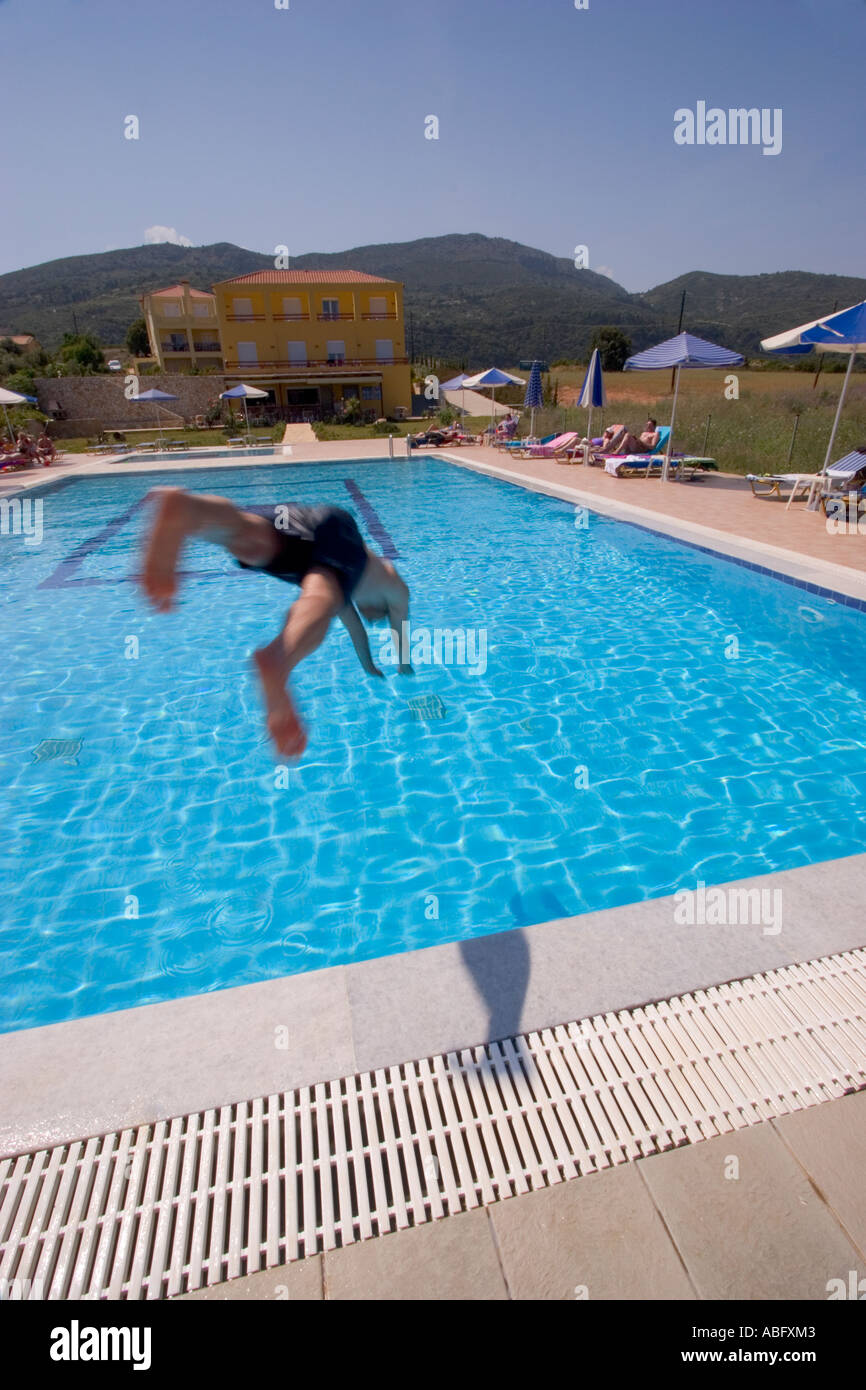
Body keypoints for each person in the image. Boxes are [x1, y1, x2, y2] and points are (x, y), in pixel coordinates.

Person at [139, 488, 412, 758]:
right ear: (382, 610)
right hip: (336, 527)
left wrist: (369, 665)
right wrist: (404, 665)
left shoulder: (351, 587)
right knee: (322, 593)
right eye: (374, 619)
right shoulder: (393, 586)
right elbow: (397, 627)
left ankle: (188, 507)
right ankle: (280, 658)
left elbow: (356, 631)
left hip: (303, 523)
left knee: (245, 537)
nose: (368, 619)